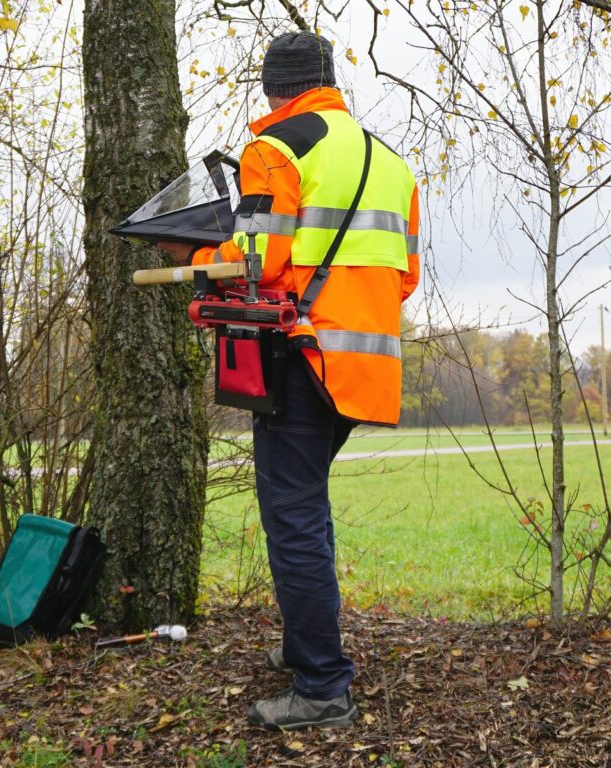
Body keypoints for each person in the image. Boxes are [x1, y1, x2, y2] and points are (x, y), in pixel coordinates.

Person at [159, 30, 420, 731]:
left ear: (274, 90)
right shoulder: (390, 163)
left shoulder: (275, 148)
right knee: (307, 508)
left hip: (301, 358)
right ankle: (308, 648)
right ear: (327, 82)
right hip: (363, 367)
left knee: (293, 520)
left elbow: (258, 259)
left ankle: (323, 687)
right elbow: (405, 277)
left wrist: (192, 255)